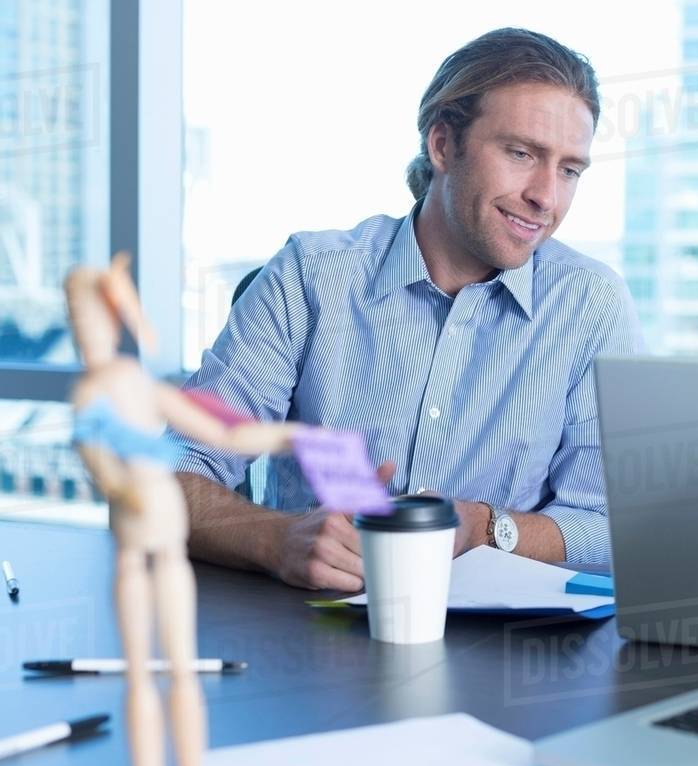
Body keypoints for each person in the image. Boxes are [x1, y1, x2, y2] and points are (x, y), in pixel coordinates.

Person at [174, 28, 641, 591]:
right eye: (521, 153)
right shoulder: (313, 275)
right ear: (442, 145)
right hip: (315, 628)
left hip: (504, 643)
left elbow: (612, 530)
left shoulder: (591, 307)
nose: (546, 196)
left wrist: (485, 528)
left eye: (569, 170)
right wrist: (277, 539)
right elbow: (169, 472)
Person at [66, 254, 301, 766]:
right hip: (134, 559)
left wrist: (290, 438)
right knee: (141, 681)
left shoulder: (137, 383)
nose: (86, 334)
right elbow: (100, 464)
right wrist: (127, 485)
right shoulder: (90, 396)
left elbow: (225, 435)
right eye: (77, 323)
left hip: (172, 553)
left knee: (183, 674)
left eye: (93, 318)